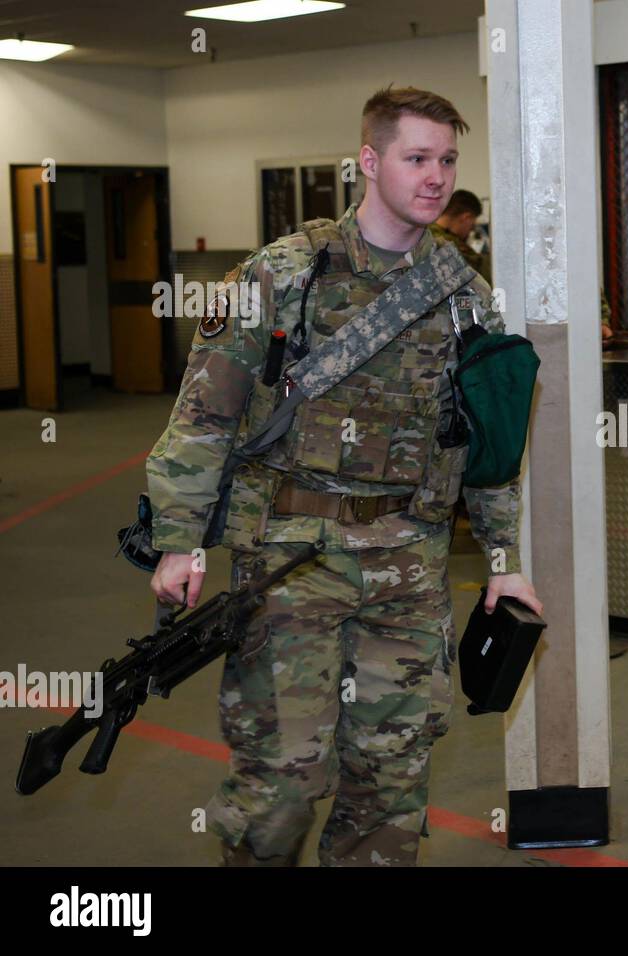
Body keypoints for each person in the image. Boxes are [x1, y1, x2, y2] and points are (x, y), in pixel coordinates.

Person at [146, 86, 541, 866]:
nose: (435, 176)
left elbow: (488, 453)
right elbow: (205, 415)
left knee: (391, 781)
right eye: (416, 158)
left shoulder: (465, 297)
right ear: (370, 160)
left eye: (447, 160)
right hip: (294, 560)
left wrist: (503, 564)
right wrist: (179, 541)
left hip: (411, 565)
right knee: (282, 783)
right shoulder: (284, 275)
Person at [432, 188, 490, 282]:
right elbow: (482, 273)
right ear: (466, 217)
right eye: (472, 224)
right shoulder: (447, 243)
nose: (472, 229)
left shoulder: (425, 232)